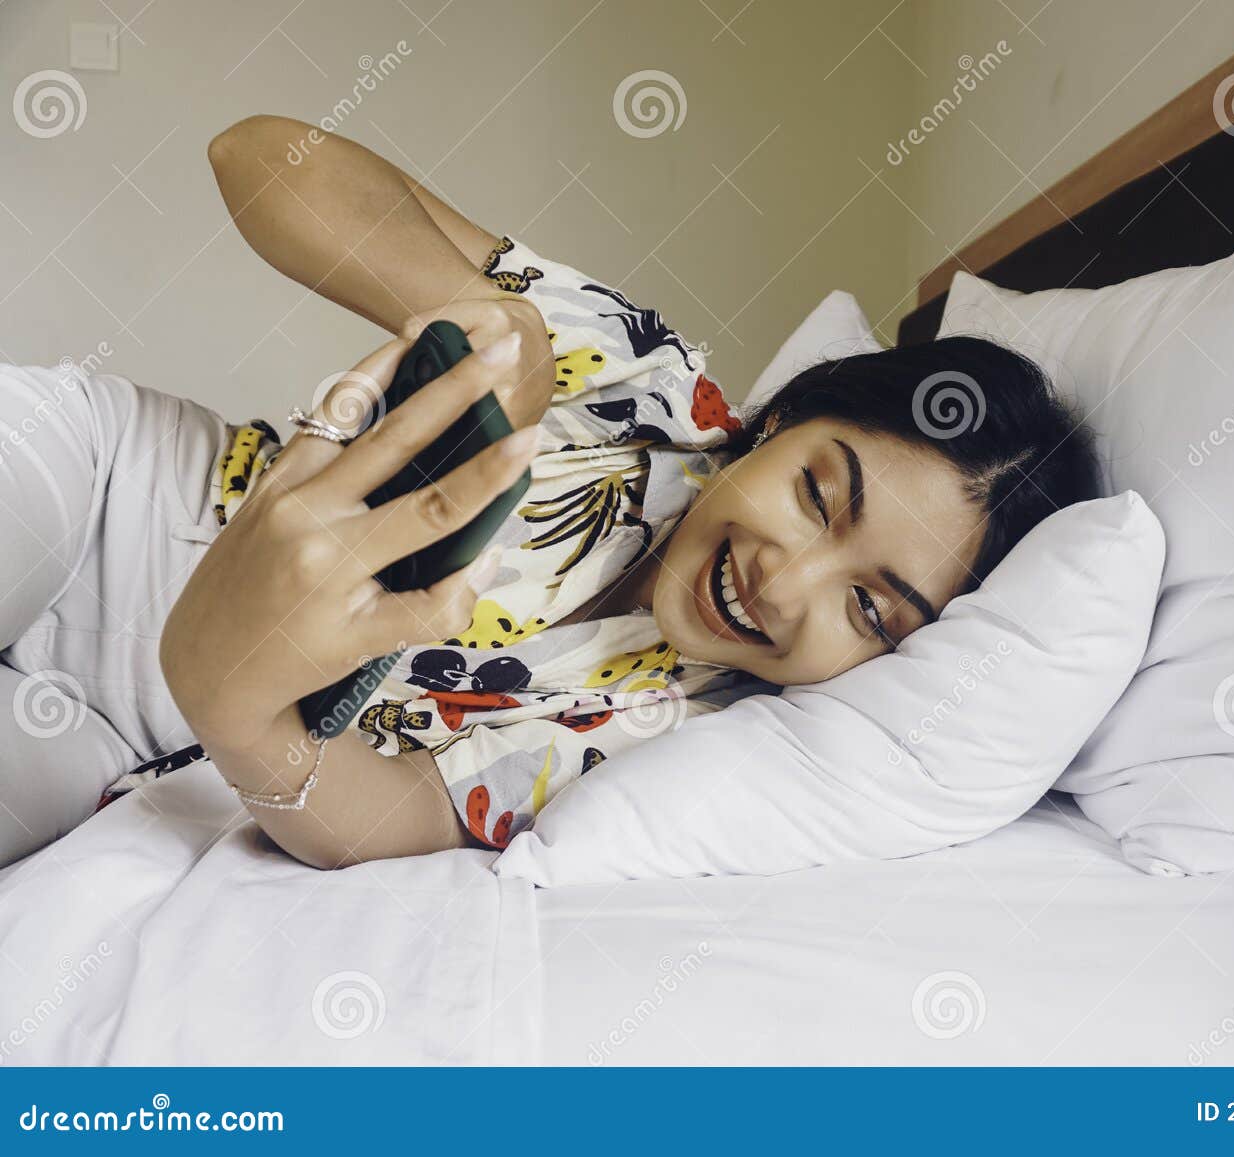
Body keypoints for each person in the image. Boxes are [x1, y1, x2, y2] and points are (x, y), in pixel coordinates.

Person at [0, 116, 1097, 871]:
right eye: (817, 494)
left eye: (871, 609)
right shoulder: (648, 385)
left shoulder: (686, 741)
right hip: (113, 494)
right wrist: (487, 319)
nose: (787, 579)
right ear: (773, 426)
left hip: (131, 737)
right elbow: (261, 156)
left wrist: (241, 712)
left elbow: (397, 815)